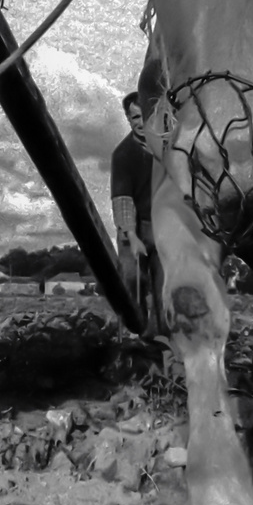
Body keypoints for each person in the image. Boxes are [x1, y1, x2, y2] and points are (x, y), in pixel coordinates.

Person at [111, 91, 163, 338]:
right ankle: (133, 334)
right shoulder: (124, 154)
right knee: (132, 280)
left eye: (145, 116)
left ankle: (161, 335)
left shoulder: (167, 148)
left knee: (164, 284)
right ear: (128, 119)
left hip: (162, 226)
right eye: (134, 118)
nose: (141, 123)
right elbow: (123, 199)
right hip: (133, 226)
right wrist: (132, 236)